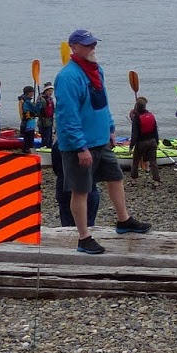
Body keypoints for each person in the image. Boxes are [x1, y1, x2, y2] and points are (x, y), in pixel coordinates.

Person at [53, 29, 150, 254]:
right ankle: (83, 236)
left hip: (100, 140)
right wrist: (79, 146)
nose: (92, 48)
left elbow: (102, 102)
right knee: (81, 190)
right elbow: (67, 115)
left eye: (94, 44)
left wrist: (110, 127)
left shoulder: (96, 70)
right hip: (80, 144)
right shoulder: (68, 77)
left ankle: (123, 220)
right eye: (87, 45)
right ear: (74, 47)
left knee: (115, 177)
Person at [127, 96, 161, 183]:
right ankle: (156, 180)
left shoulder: (136, 118)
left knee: (136, 160)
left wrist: (131, 146)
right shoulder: (151, 115)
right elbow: (155, 129)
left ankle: (134, 179)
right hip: (152, 141)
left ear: (136, 107)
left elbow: (134, 134)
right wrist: (157, 141)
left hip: (141, 143)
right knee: (153, 161)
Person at [18, 86, 42, 152]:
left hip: (25, 122)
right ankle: (28, 150)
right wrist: (39, 102)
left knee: (26, 138)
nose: (33, 94)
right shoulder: (27, 102)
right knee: (30, 138)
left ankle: (26, 149)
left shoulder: (22, 100)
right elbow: (36, 110)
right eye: (32, 92)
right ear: (29, 93)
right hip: (29, 122)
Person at [38, 83, 56, 149]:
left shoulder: (50, 99)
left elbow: (53, 110)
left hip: (49, 121)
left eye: (51, 91)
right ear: (45, 91)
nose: (50, 93)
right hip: (43, 121)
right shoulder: (41, 99)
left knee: (49, 135)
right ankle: (44, 146)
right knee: (45, 136)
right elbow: (38, 110)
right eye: (49, 91)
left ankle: (49, 146)